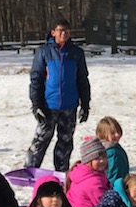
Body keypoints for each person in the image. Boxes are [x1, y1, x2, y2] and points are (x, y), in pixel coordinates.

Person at [25, 18, 91, 172]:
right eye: (60, 30)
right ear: (53, 32)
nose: (64, 33)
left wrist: (85, 104)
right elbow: (36, 79)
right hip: (48, 106)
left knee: (65, 141)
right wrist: (36, 104)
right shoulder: (44, 52)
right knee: (41, 139)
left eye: (67, 31)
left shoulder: (76, 53)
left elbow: (82, 79)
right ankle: (30, 169)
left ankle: (61, 171)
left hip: (69, 106)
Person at [65, 137, 111, 207]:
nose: (102, 161)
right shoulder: (94, 182)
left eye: (104, 157)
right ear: (88, 161)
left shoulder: (81, 172)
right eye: (97, 158)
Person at [96, 116, 129, 183]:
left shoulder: (113, 147)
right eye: (112, 133)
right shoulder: (112, 152)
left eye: (118, 131)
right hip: (116, 186)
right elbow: (113, 176)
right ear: (103, 134)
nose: (117, 135)